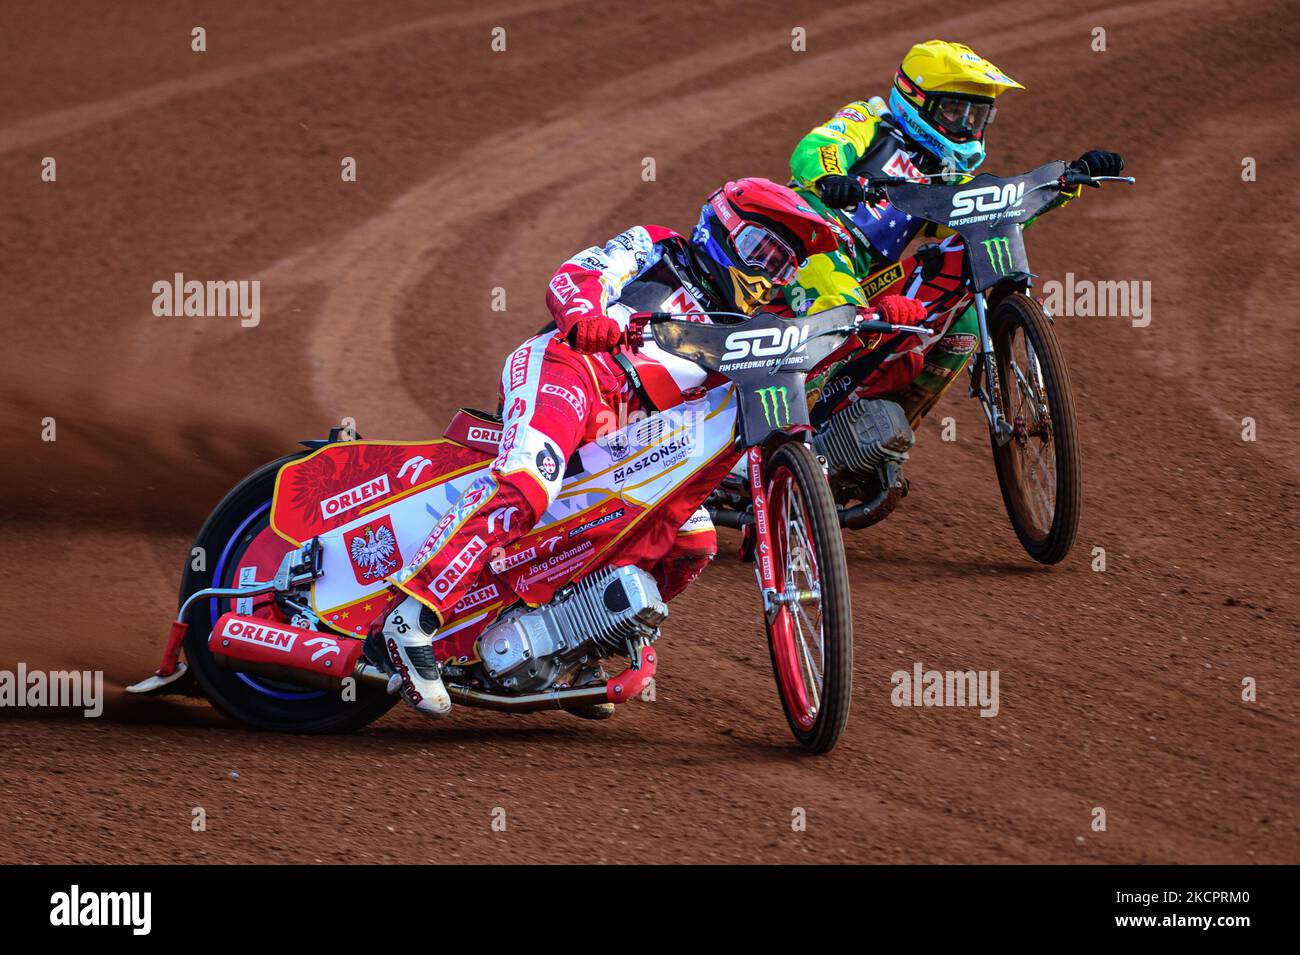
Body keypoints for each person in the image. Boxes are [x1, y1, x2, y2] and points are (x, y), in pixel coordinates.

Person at [369, 178, 929, 718]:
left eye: (782, 265)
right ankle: (411, 617)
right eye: (760, 250)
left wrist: (878, 324)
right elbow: (577, 274)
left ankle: (570, 649)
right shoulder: (659, 246)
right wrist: (586, 317)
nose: (767, 276)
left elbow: (811, 353)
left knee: (695, 539)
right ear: (723, 228)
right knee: (528, 483)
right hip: (573, 372)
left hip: (632, 439)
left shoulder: (760, 324)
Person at [783, 39, 1124, 429]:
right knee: (840, 306)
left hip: (868, 279)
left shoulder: (941, 176)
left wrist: (1067, 180)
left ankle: (885, 436)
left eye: (975, 116)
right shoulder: (870, 119)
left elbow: (992, 211)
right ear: (917, 99)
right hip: (808, 250)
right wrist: (830, 177)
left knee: (964, 314)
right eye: (953, 110)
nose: (965, 126)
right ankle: (787, 436)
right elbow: (818, 146)